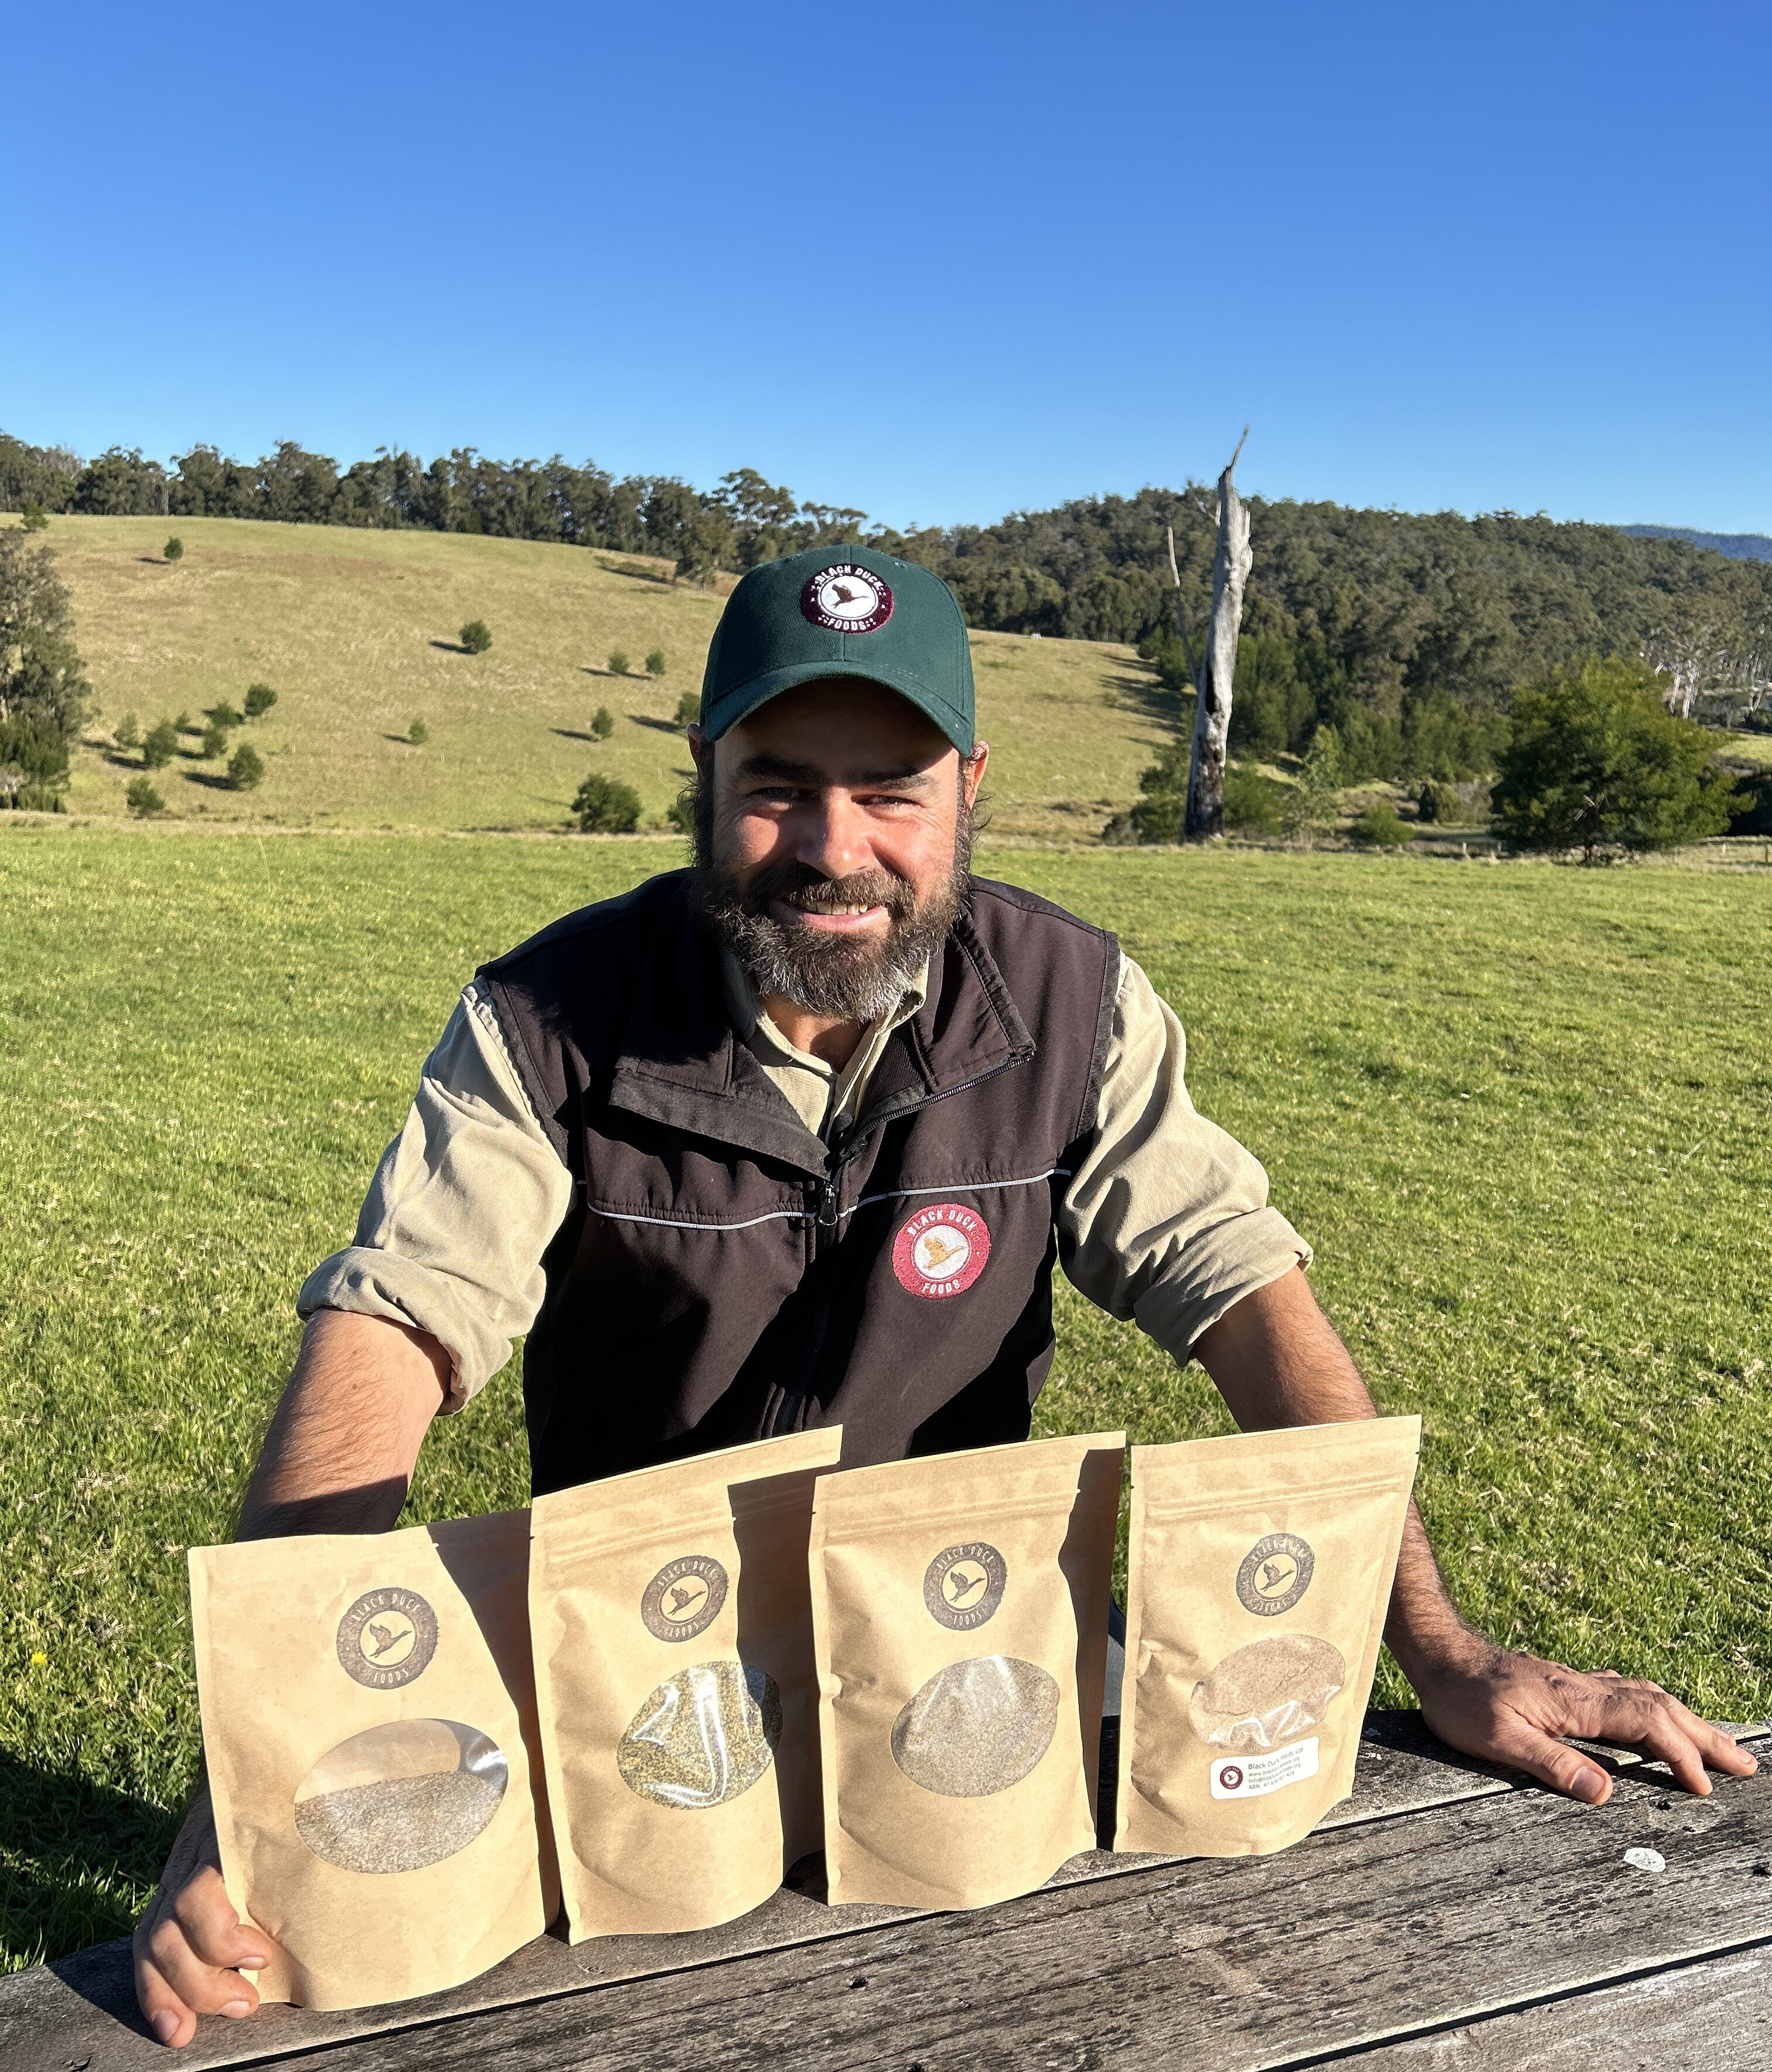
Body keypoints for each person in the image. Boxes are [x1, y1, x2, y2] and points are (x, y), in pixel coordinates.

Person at [135, 546, 1754, 2044]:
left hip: (970, 1693)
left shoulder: (1072, 1003)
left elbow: (1251, 1300)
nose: (834, 851)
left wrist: (1443, 1649)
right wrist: (268, 1775)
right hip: (647, 1707)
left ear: (971, 788)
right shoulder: (546, 1020)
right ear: (698, 784)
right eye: (775, 789)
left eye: (890, 790)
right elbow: (391, 1332)